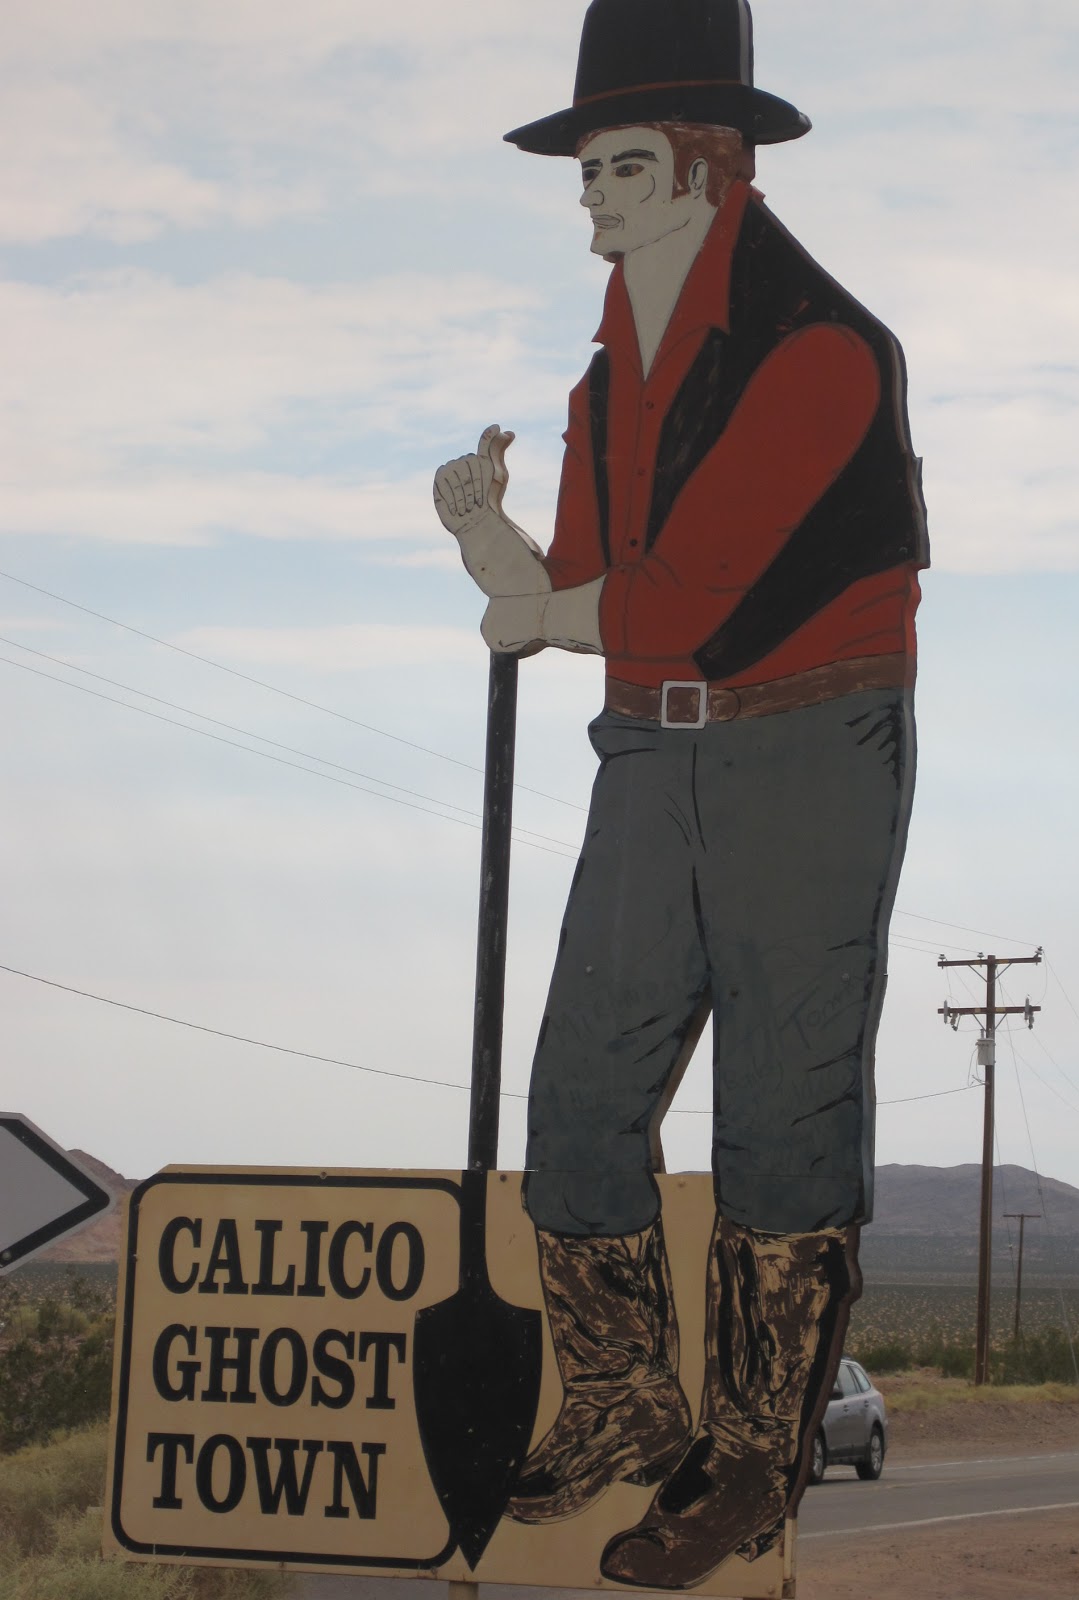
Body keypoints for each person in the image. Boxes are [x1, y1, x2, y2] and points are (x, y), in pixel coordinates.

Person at [433, 1, 927, 1587]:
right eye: (583, 169)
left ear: (711, 165)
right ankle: (625, 1403)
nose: (591, 197)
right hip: (649, 744)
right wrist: (485, 542)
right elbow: (586, 591)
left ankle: (749, 1464)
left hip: (806, 746)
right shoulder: (602, 386)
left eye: (620, 165)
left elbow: (691, 590)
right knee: (579, 1095)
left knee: (785, 1123)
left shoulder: (825, 347)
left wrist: (537, 607)